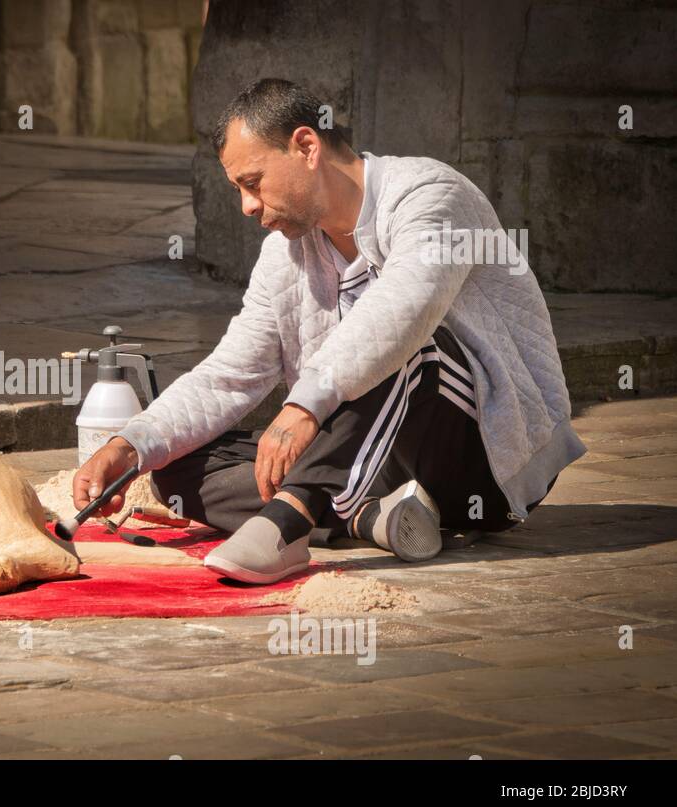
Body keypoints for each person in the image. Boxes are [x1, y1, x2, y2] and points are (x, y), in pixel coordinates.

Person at [71, 78, 584, 584]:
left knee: (404, 346)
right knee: (177, 470)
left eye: (253, 182)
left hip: (485, 464)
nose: (247, 206)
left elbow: (404, 309)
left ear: (306, 146)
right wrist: (131, 445)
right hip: (371, 461)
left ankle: (290, 524)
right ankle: (370, 517)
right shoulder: (285, 254)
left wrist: (304, 407)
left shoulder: (432, 194)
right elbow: (230, 374)